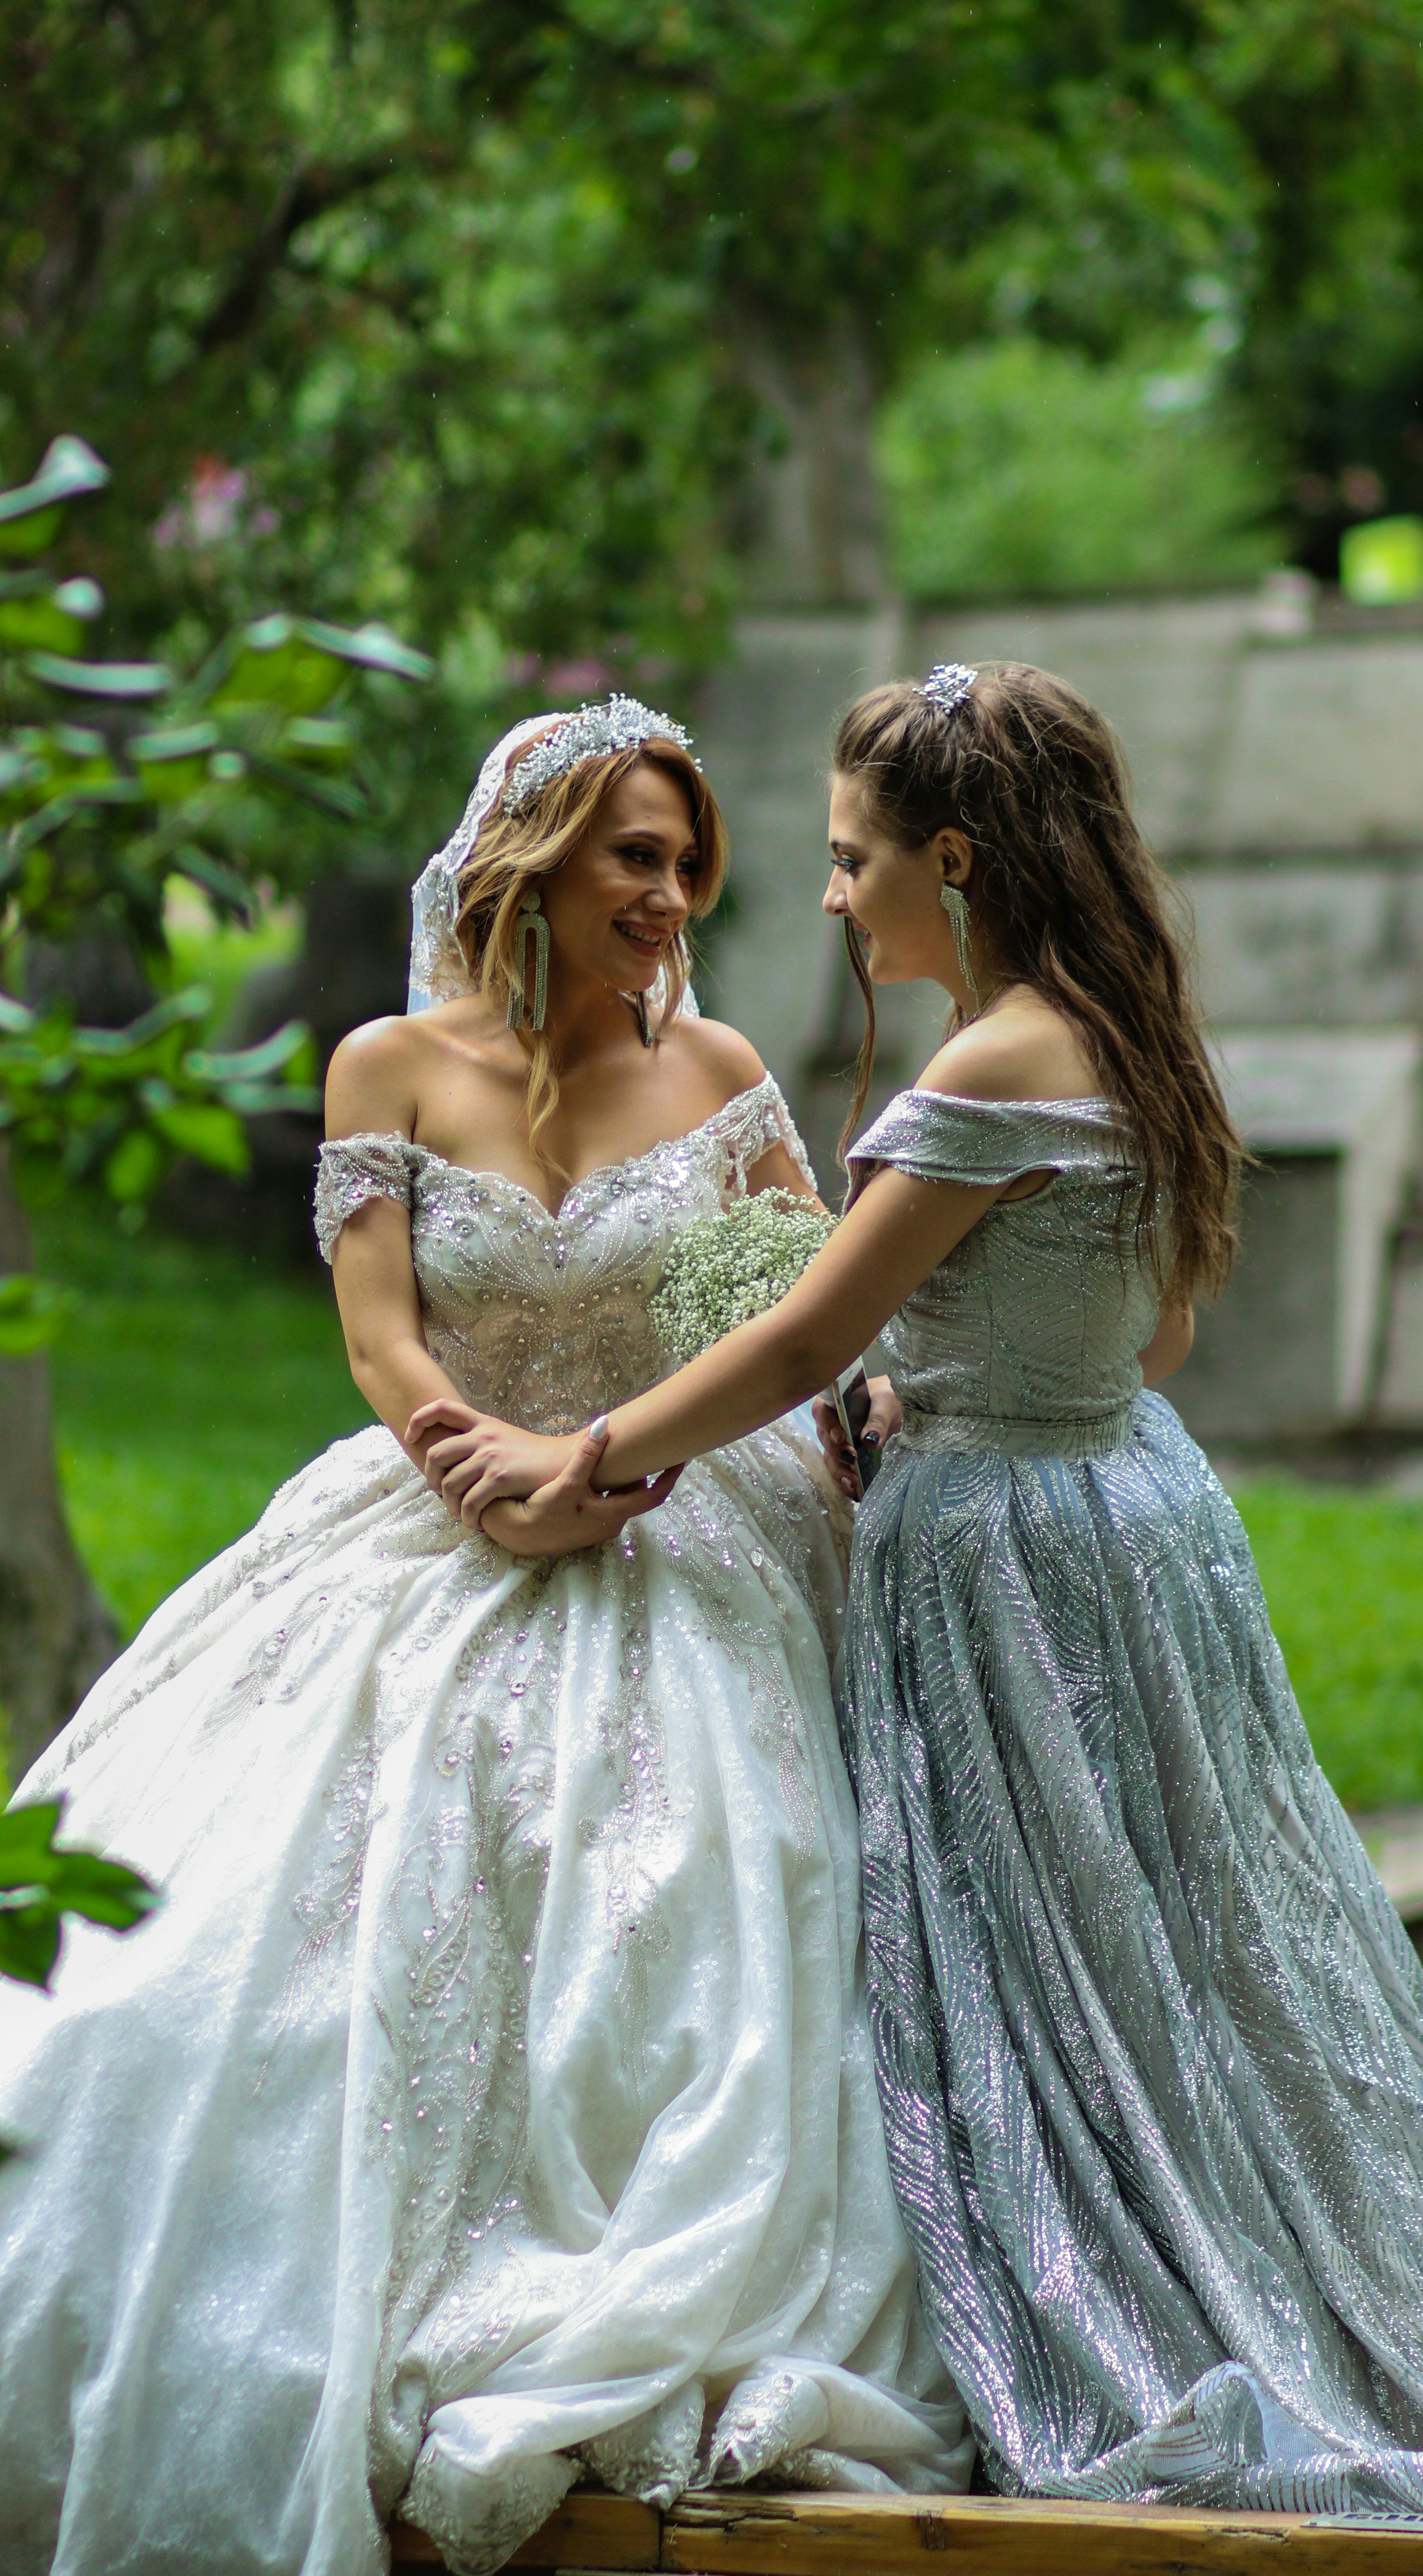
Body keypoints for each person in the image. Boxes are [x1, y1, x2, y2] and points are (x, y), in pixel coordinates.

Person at [426, 664, 1423, 2517]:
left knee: (1046, 1955)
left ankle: (1134, 2290)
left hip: (1005, 1549)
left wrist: (580, 1458)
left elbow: (803, 1332)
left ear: (951, 860)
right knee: (1166, 1935)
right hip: (1139, 1508)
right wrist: (955, 1383)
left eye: (846, 861)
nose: (825, 898)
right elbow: (1153, 1329)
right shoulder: (1119, 1030)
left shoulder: (984, 1065)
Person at [0, 696, 970, 2576]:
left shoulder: (726, 1078)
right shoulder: (387, 1065)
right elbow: (378, 1334)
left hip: (687, 1531)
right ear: (531, 855)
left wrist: (786, 1436)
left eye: (688, 861)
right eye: (635, 853)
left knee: (701, 1873)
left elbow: (805, 1315)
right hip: (440, 1511)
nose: (670, 893)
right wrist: (479, 1476)